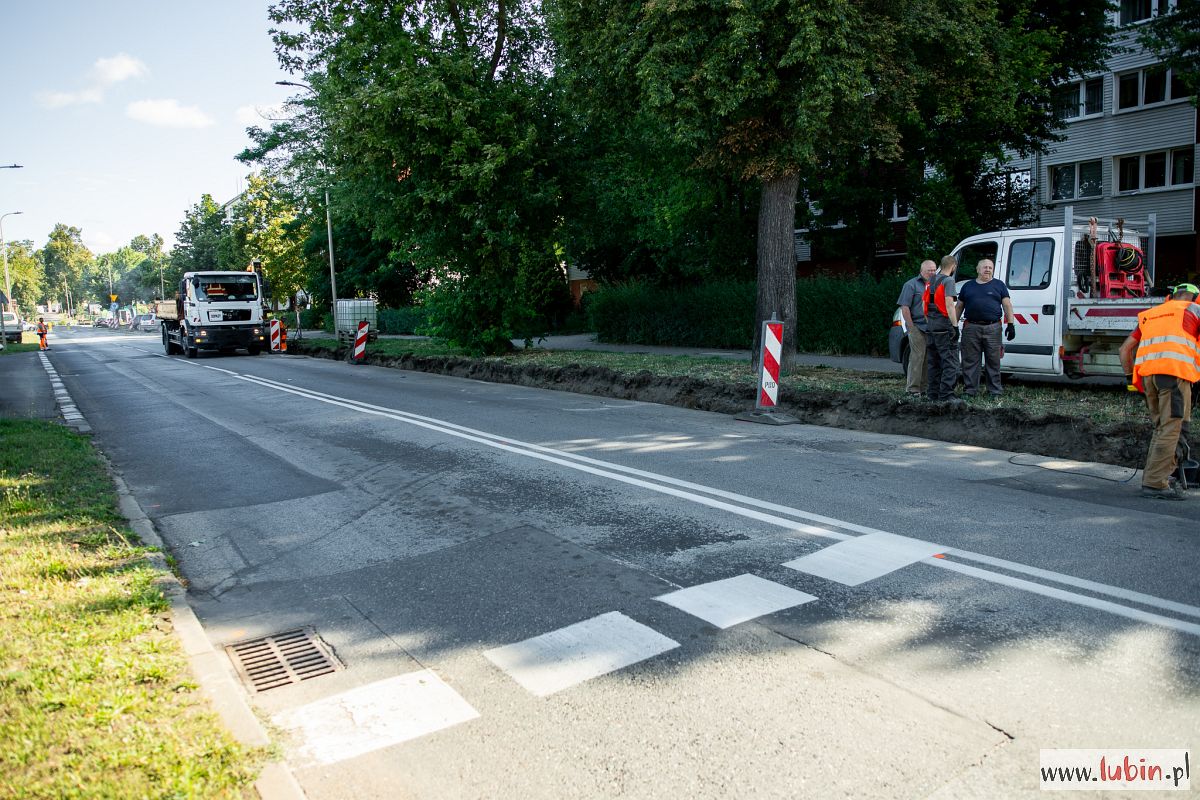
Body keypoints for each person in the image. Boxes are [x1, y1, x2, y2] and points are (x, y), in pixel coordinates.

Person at [1118, 283, 1200, 500]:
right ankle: (1155, 484)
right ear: (1196, 297)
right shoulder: (1194, 310)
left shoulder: (1150, 314)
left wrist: (1130, 381)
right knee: (1173, 428)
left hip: (1148, 379)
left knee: (1161, 428)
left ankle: (1155, 477)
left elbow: (1124, 350)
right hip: (1173, 376)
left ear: (1170, 297)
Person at [954, 258, 1016, 398]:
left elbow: (1007, 305)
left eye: (990, 267)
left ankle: (994, 391)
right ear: (978, 269)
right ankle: (970, 391)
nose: (988, 269)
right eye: (985, 267)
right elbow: (958, 307)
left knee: (993, 361)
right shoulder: (968, 286)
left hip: (993, 328)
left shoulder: (999, 285)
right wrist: (953, 325)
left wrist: (1011, 324)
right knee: (969, 361)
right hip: (971, 328)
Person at [923, 255, 961, 403]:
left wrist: (930, 321)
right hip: (944, 326)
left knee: (934, 362)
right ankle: (946, 396)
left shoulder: (931, 280)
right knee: (950, 362)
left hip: (931, 325)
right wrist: (955, 326)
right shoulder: (949, 281)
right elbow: (949, 305)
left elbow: (923, 304)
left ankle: (933, 394)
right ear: (953, 266)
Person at [897, 260, 936, 396]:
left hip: (931, 328)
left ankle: (924, 388)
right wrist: (911, 327)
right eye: (929, 270)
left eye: (934, 270)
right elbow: (905, 307)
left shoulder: (936, 285)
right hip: (917, 326)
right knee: (917, 358)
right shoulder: (910, 285)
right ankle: (912, 389)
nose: (932, 273)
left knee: (927, 358)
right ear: (922, 270)